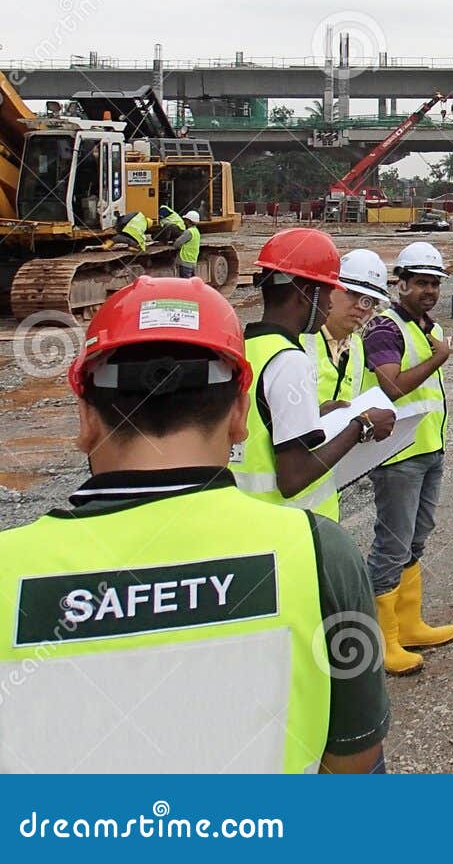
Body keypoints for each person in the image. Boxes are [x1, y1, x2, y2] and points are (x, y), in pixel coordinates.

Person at [0, 277, 389, 773]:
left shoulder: (9, 571)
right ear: (240, 416)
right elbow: (354, 760)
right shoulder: (318, 553)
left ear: (85, 419)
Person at [237, 228, 396, 520]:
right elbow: (293, 478)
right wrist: (360, 426)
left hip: (249, 519)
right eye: (326, 293)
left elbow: (262, 428)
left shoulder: (245, 347)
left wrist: (313, 417)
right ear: (305, 294)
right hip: (291, 523)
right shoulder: (290, 360)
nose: (330, 304)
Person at [364, 240, 453, 670]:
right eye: (421, 283)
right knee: (392, 545)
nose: (429, 291)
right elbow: (393, 386)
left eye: (434, 284)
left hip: (428, 450)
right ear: (399, 283)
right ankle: (382, 640)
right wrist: (439, 359)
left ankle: (409, 625)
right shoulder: (385, 328)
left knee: (415, 539)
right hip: (398, 457)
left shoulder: (429, 327)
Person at [298, 248, 390, 521]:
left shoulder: (358, 349)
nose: (361, 306)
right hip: (285, 494)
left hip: (326, 492)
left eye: (370, 301)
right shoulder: (298, 342)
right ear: (330, 290)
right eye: (352, 294)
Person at [177, 209, 203, 278]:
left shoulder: (188, 232)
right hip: (192, 262)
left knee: (185, 285)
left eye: (185, 220)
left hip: (185, 262)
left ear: (189, 221)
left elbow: (177, 244)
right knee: (191, 283)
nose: (184, 222)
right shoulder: (196, 232)